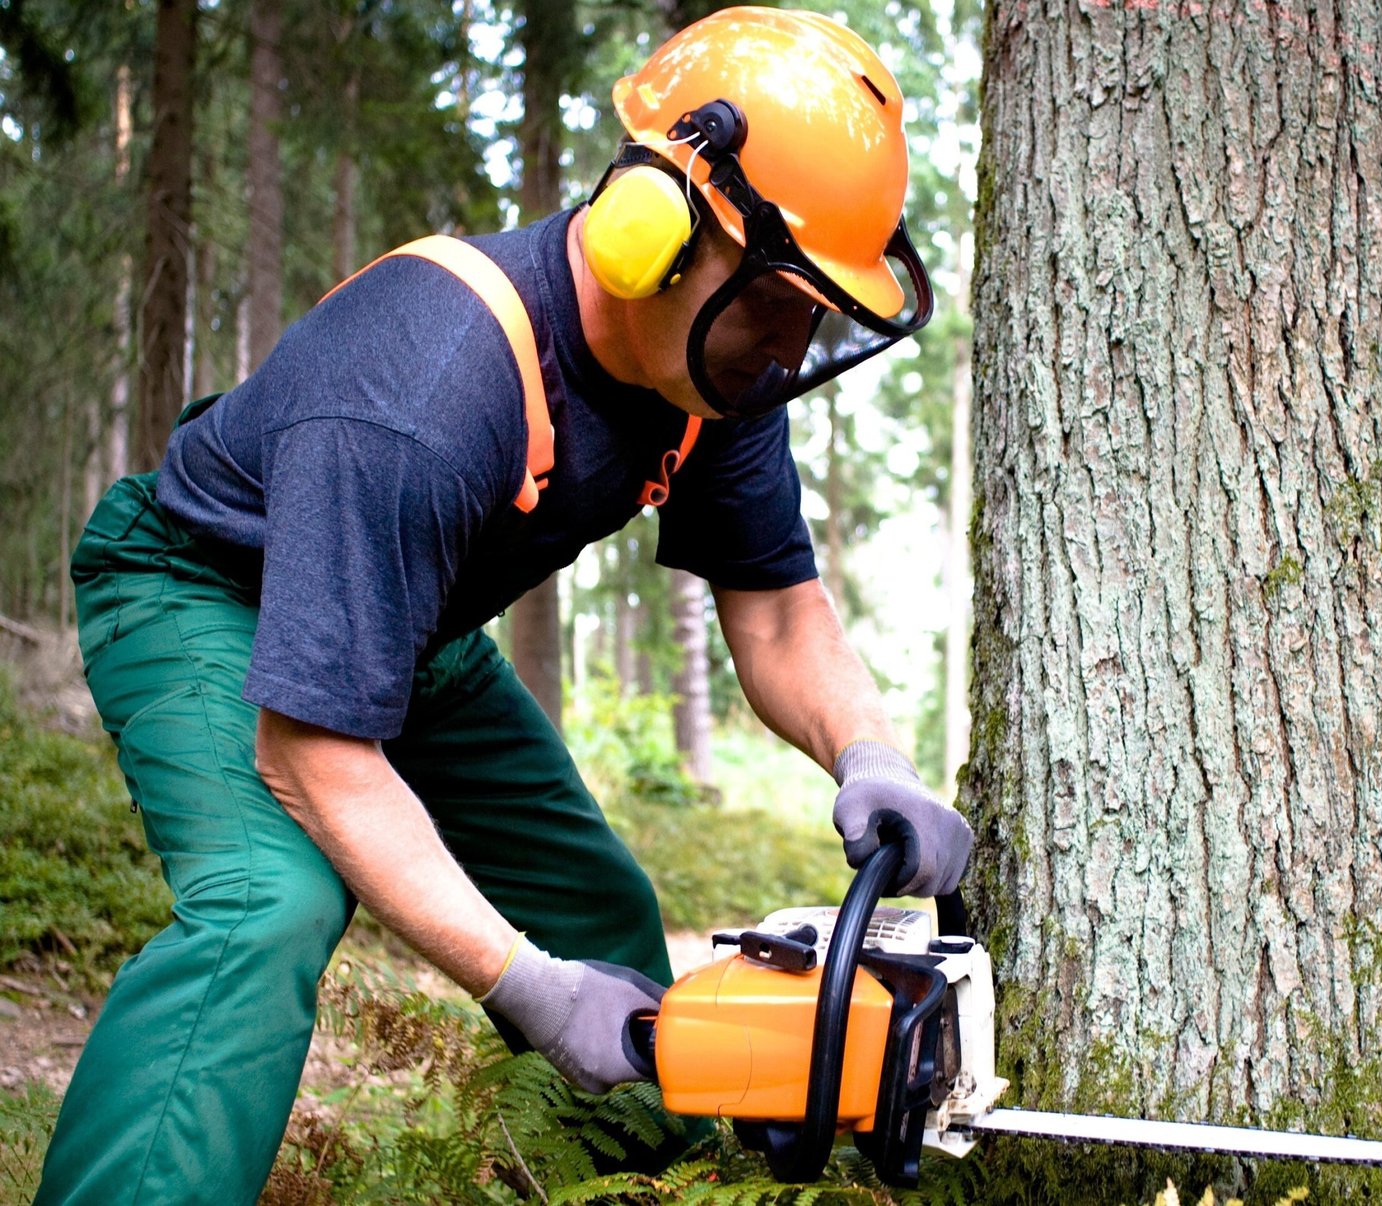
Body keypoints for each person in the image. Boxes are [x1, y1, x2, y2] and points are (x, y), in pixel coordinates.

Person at [34, 7, 972, 1203]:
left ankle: (606, 1164)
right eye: (778, 301)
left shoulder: (713, 375)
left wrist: (870, 754)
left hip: (401, 621)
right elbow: (316, 754)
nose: (790, 347)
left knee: (597, 907)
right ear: (658, 234)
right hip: (203, 586)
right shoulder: (422, 389)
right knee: (268, 909)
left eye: (814, 314)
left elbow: (780, 614)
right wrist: (521, 983)